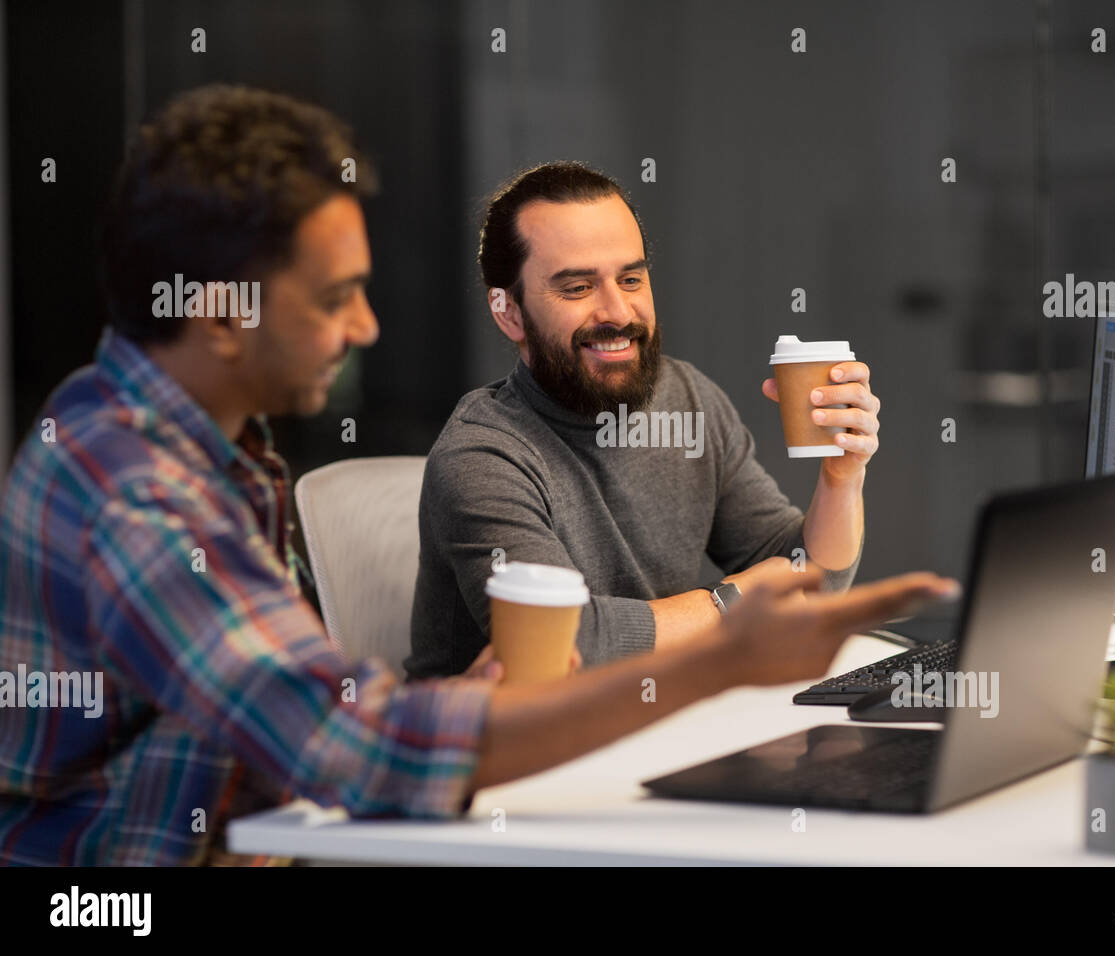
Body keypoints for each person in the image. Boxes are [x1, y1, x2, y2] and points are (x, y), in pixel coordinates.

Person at [0, 86, 957, 865]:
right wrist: (721, 651)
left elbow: (293, 710)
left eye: (631, 275)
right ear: (219, 315)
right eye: (336, 298)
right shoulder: (138, 492)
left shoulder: (205, 447)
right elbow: (356, 750)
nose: (367, 327)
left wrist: (841, 482)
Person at [408, 161, 883, 678]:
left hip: (649, 719)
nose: (618, 311)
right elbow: (567, 645)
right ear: (510, 313)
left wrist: (842, 477)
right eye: (577, 288)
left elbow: (810, 581)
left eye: (631, 278)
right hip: (504, 747)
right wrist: (733, 604)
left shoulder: (688, 398)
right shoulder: (482, 455)